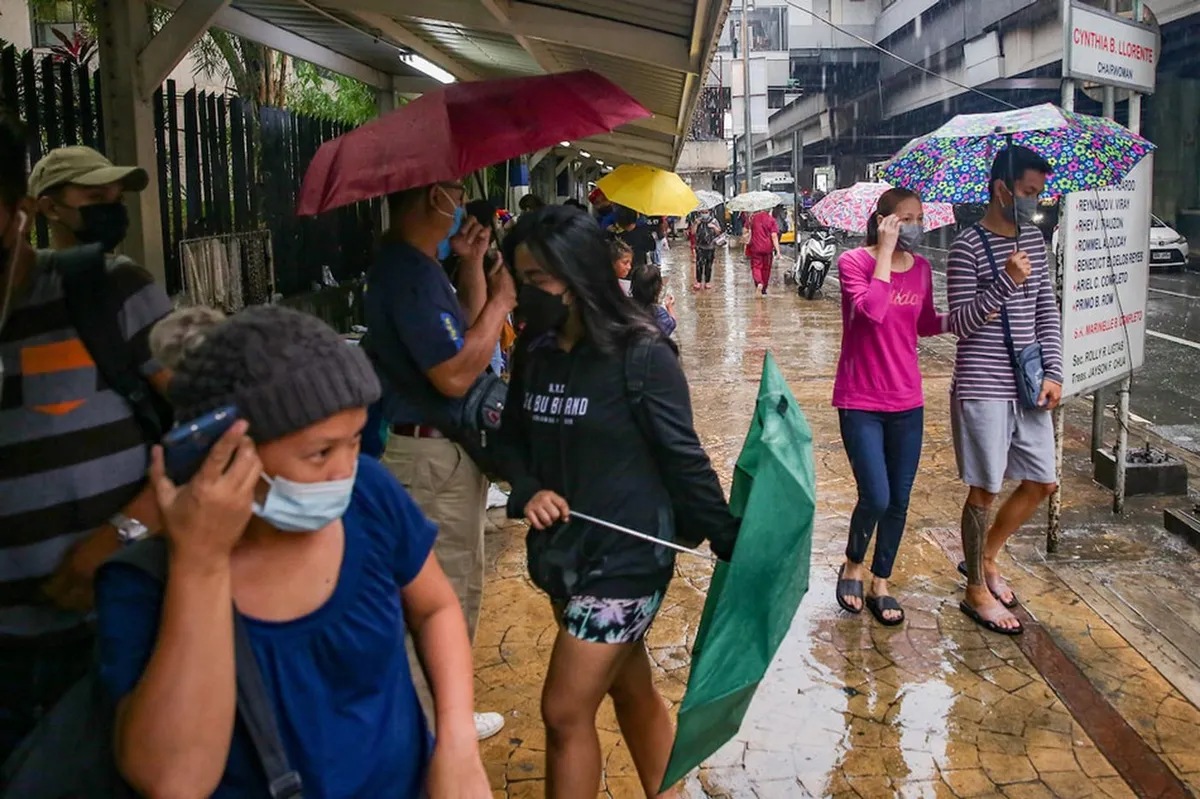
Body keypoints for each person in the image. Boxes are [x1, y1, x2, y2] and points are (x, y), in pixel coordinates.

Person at [95, 306, 491, 797]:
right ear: (222, 450)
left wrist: (456, 743)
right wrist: (201, 564)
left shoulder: (369, 494)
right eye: (319, 453)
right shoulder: (146, 581)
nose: (344, 471)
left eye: (353, 441)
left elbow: (434, 607)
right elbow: (173, 780)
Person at [496, 206, 737, 798]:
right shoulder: (536, 350)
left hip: (628, 560)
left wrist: (735, 542)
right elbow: (510, 441)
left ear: (577, 277)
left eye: (537, 280)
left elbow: (685, 461)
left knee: (563, 711)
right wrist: (527, 488)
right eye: (519, 279)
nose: (526, 294)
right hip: (564, 554)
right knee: (629, 688)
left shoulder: (643, 354)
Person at [0, 129, 173, 759]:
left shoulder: (111, 292)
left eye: (111, 194)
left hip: (112, 627)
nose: (107, 205)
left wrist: (122, 533)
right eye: (92, 193)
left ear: (18, 210)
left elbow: (208, 425)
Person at [364, 180, 515, 739]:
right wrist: (503, 300)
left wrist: (473, 265)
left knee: (457, 590)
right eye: (453, 190)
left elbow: (466, 339)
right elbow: (455, 375)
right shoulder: (406, 273)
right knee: (438, 600)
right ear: (434, 199)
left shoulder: (423, 267)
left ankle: (446, 707)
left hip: (442, 453)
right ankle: (429, 731)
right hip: (427, 457)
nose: (460, 201)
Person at [946, 146, 1063, 636]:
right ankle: (975, 589)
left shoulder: (1035, 240)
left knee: (1042, 481)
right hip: (982, 382)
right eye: (1028, 192)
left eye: (1038, 193)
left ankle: (988, 557)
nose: (1034, 202)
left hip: (1029, 381)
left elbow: (1046, 311)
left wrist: (1054, 370)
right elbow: (960, 324)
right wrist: (1006, 282)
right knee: (986, 487)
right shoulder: (966, 247)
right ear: (1001, 189)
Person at [832, 188, 947, 627]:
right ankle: (853, 564)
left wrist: (974, 310)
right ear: (883, 221)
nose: (914, 226)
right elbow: (874, 312)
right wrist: (883, 252)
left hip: (907, 401)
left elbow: (926, 324)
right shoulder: (853, 263)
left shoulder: (921, 269)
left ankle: (882, 580)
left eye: (919, 218)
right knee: (875, 495)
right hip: (860, 398)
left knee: (899, 499)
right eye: (905, 219)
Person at [630, 262, 677, 338]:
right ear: (658, 289)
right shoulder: (659, 313)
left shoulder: (624, 307)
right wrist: (669, 306)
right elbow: (672, 323)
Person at [746, 208, 781, 296]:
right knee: (766, 268)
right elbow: (774, 236)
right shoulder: (771, 220)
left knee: (756, 267)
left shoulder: (752, 218)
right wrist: (778, 251)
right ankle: (764, 289)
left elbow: (745, 231)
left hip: (755, 247)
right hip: (768, 248)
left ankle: (759, 283)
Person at [691, 209, 722, 290]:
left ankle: (707, 281)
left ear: (709, 212)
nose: (704, 214)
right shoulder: (697, 221)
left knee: (709, 265)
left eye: (706, 212)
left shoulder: (714, 221)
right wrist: (695, 224)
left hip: (710, 246)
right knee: (699, 265)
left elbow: (719, 232)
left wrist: (714, 227)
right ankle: (698, 281)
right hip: (700, 246)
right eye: (702, 212)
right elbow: (693, 232)